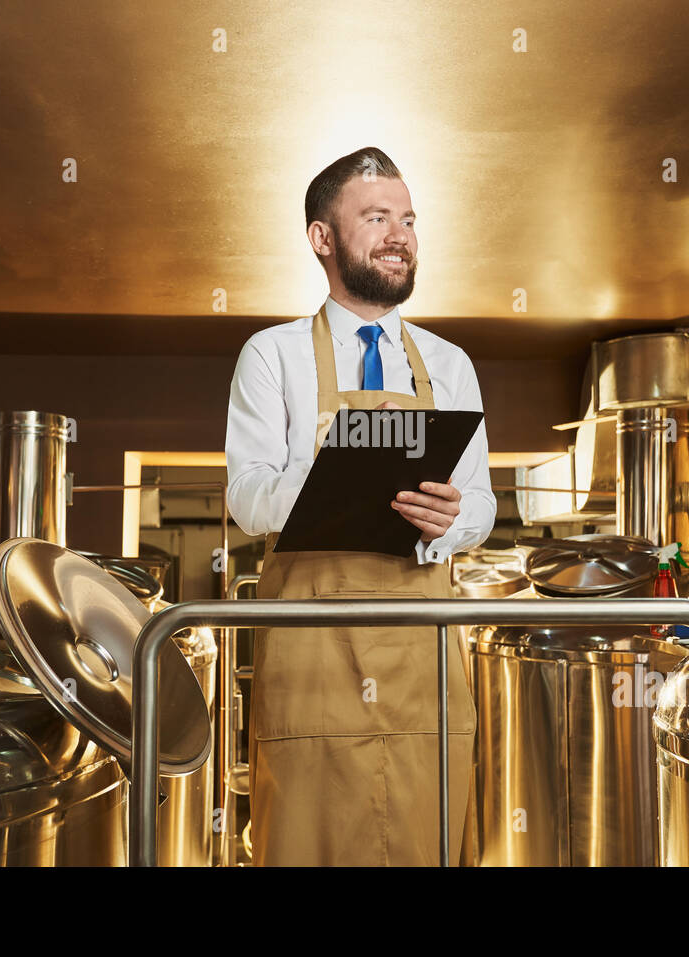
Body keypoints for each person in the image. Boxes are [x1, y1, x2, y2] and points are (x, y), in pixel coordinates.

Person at [225, 146, 496, 865]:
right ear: (322, 237)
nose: (399, 234)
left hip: (423, 657)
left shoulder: (450, 364)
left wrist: (453, 518)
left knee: (425, 837)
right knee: (308, 840)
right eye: (376, 217)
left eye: (407, 218)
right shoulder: (271, 355)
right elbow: (247, 495)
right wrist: (336, 475)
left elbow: (481, 506)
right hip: (312, 656)